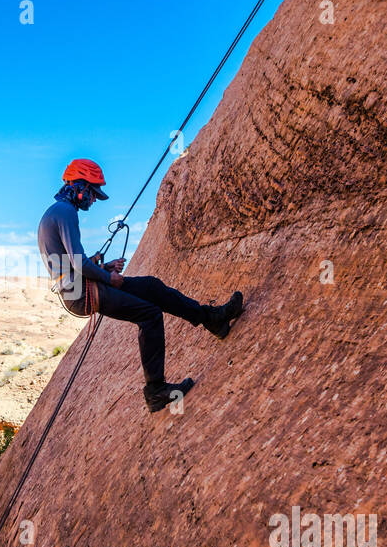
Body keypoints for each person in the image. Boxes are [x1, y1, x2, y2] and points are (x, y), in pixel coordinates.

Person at [37, 158, 243, 412]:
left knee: (152, 287)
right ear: (80, 186)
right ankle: (156, 391)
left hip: (79, 289)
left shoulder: (56, 213)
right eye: (92, 194)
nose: (92, 200)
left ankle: (212, 319)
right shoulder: (65, 213)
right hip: (83, 293)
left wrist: (103, 267)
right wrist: (107, 276)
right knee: (149, 315)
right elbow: (78, 265)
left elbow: (69, 264)